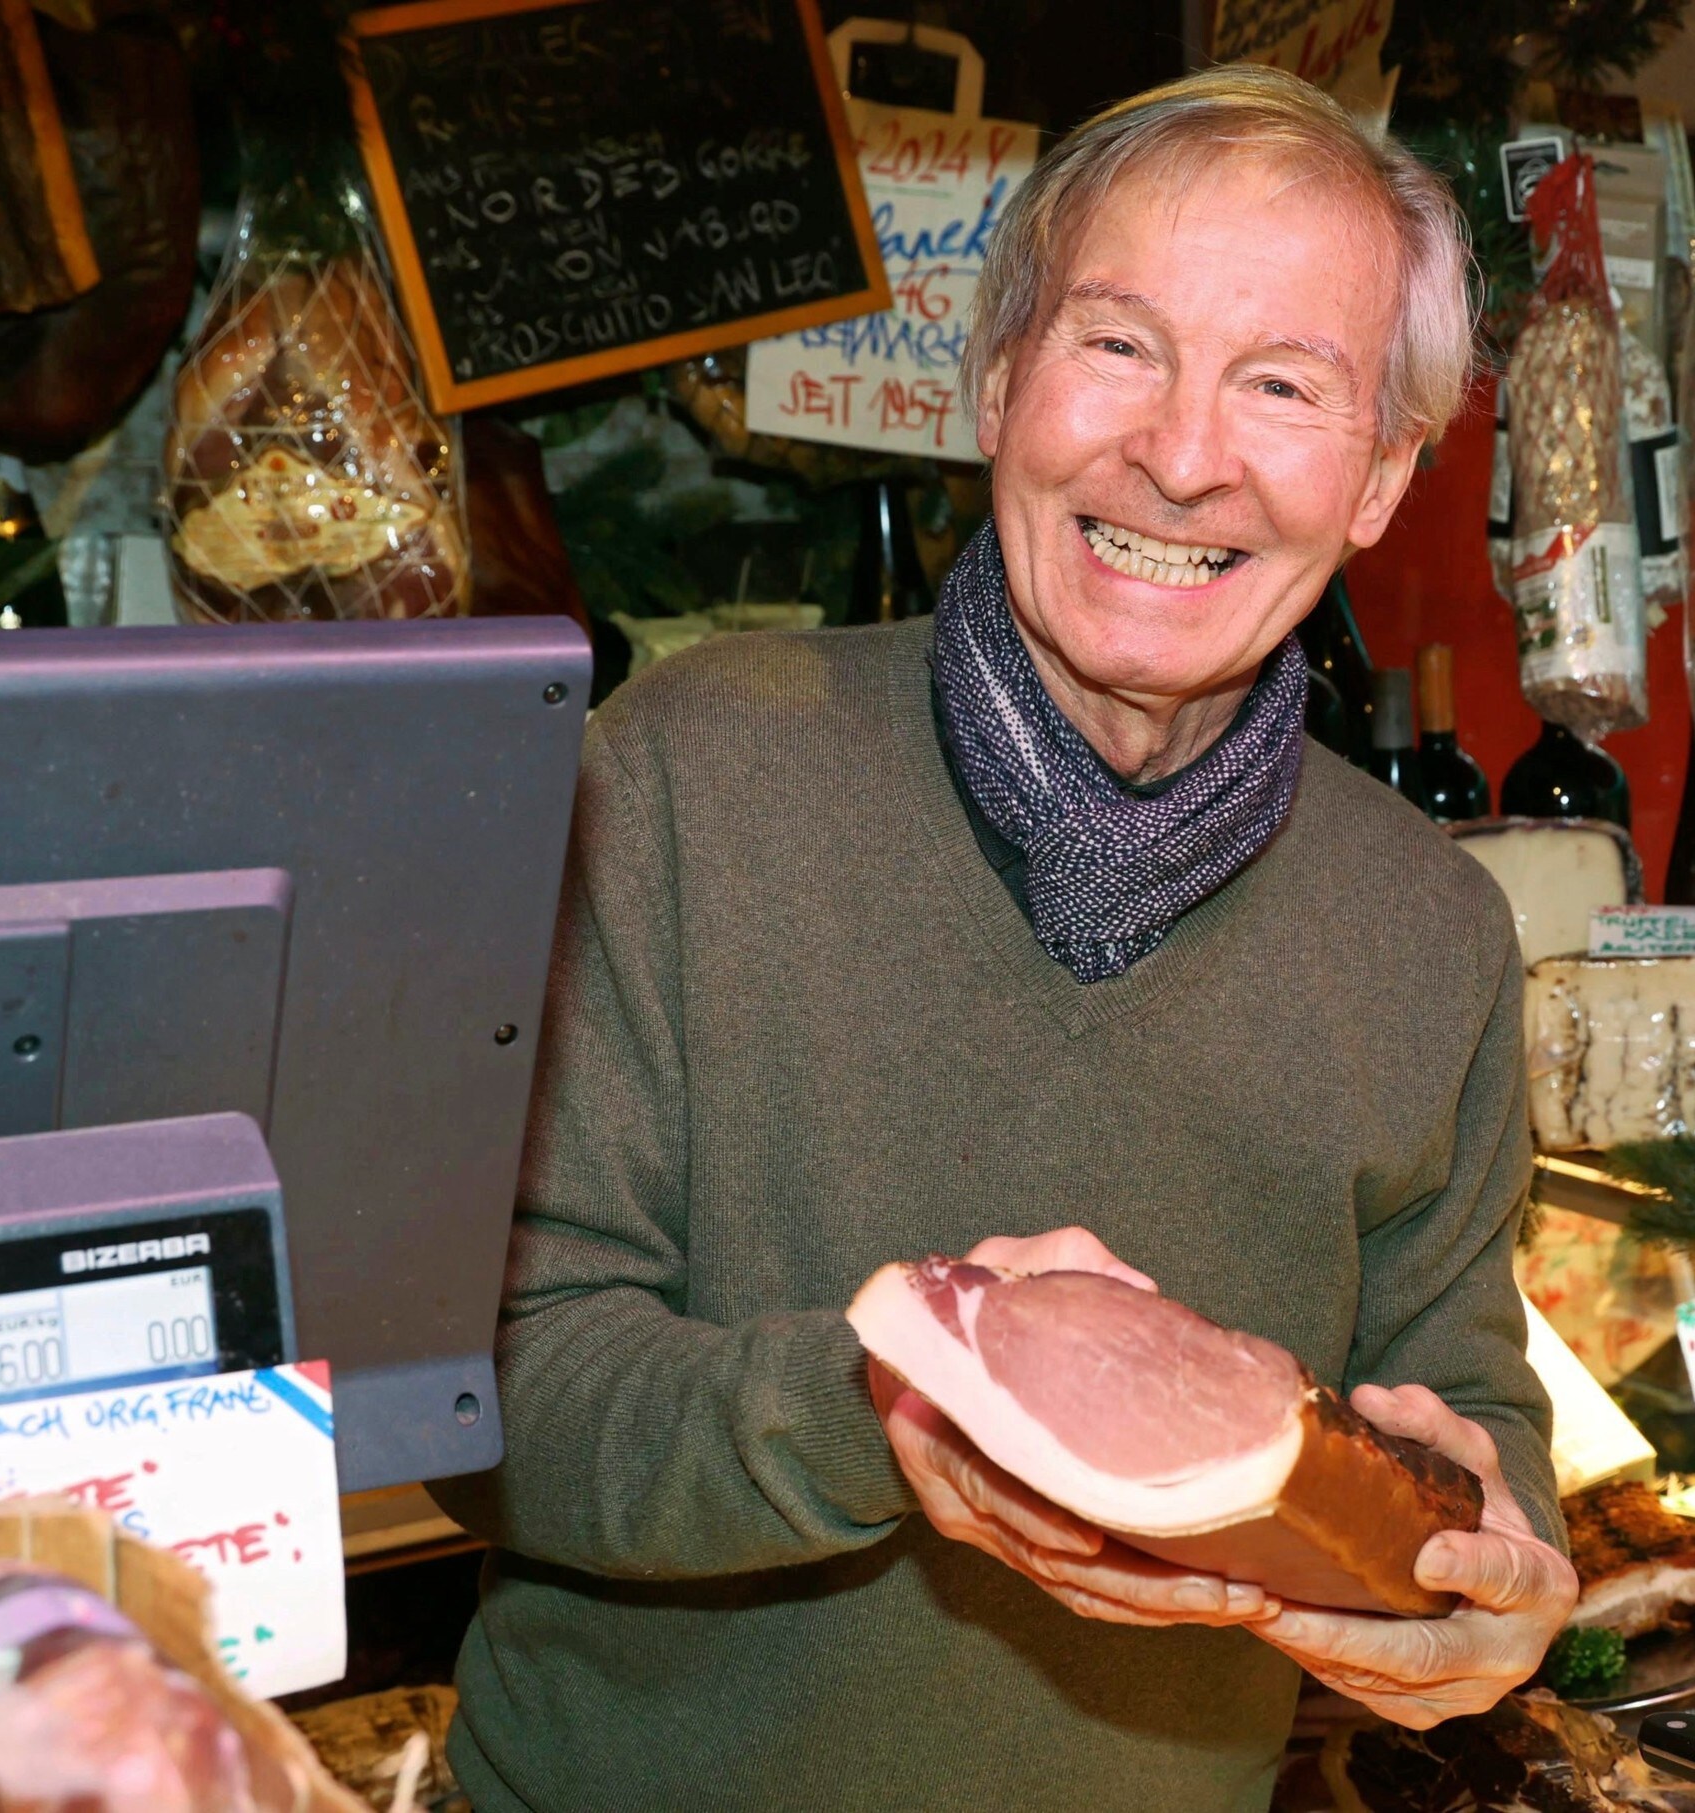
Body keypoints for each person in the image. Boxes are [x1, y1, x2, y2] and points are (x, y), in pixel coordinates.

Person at [433, 64, 1577, 1813]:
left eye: (1283, 386)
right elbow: (486, 1395)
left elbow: (1467, 1413)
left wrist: (1491, 1576)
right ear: (995, 378)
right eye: (1118, 346)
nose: (1181, 456)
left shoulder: (1430, 932)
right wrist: (891, 1402)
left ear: (1382, 479)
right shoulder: (677, 774)